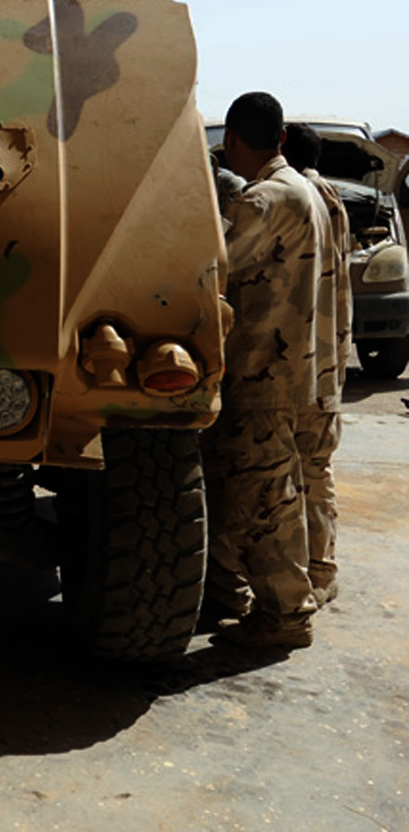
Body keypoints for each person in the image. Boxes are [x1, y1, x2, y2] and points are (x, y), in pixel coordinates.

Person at [202, 92, 331, 649]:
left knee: (265, 500)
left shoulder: (264, 200)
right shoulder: (307, 190)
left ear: (230, 141)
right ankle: (239, 594)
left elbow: (209, 266)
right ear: (279, 138)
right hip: (293, 367)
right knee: (262, 491)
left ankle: (285, 616)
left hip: (264, 372)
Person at [282, 121, 352, 606]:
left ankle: (302, 579)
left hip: (304, 353)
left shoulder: (297, 194)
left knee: (288, 473)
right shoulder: (333, 195)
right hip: (330, 350)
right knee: (317, 468)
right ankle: (322, 568)